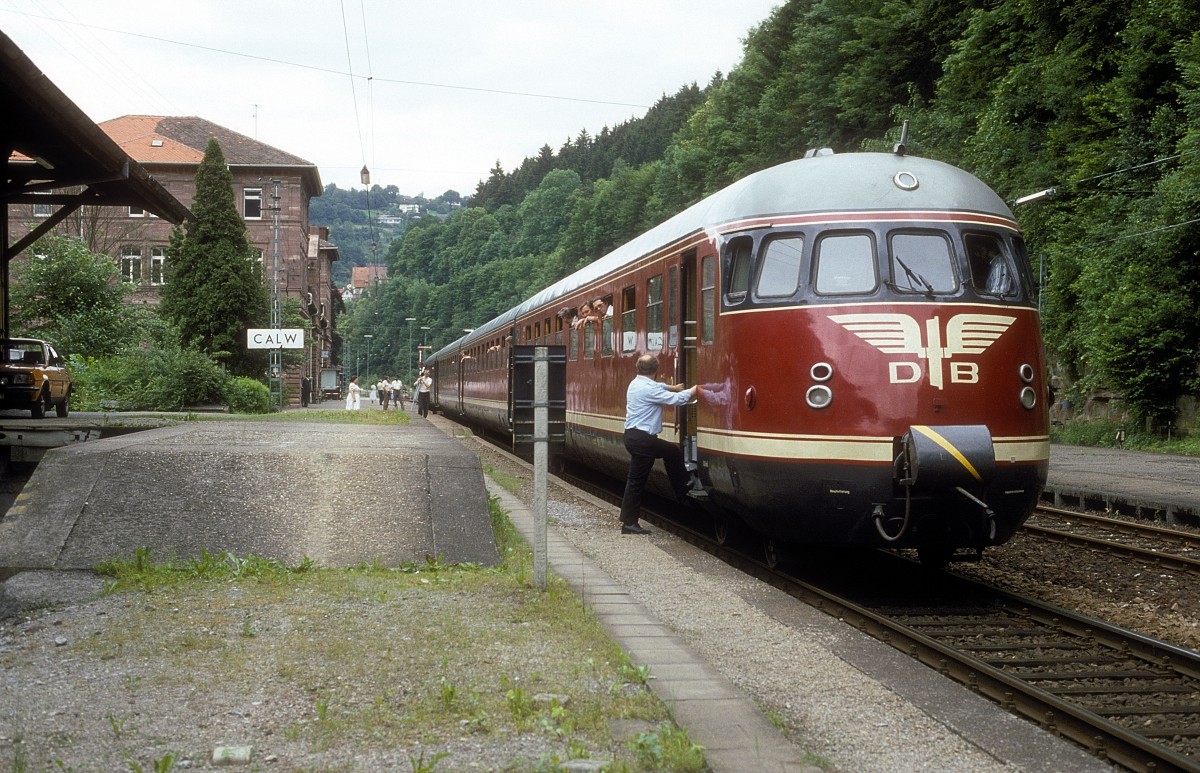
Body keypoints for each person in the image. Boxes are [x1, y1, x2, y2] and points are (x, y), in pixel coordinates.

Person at [618, 354, 704, 535]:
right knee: (637, 480)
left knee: (669, 452)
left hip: (634, 437)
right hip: (642, 440)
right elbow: (678, 400)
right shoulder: (648, 390)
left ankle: (681, 487)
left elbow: (658, 386)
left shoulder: (637, 383)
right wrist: (695, 389)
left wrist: (671, 387)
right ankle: (629, 523)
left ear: (638, 368)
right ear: (656, 370)